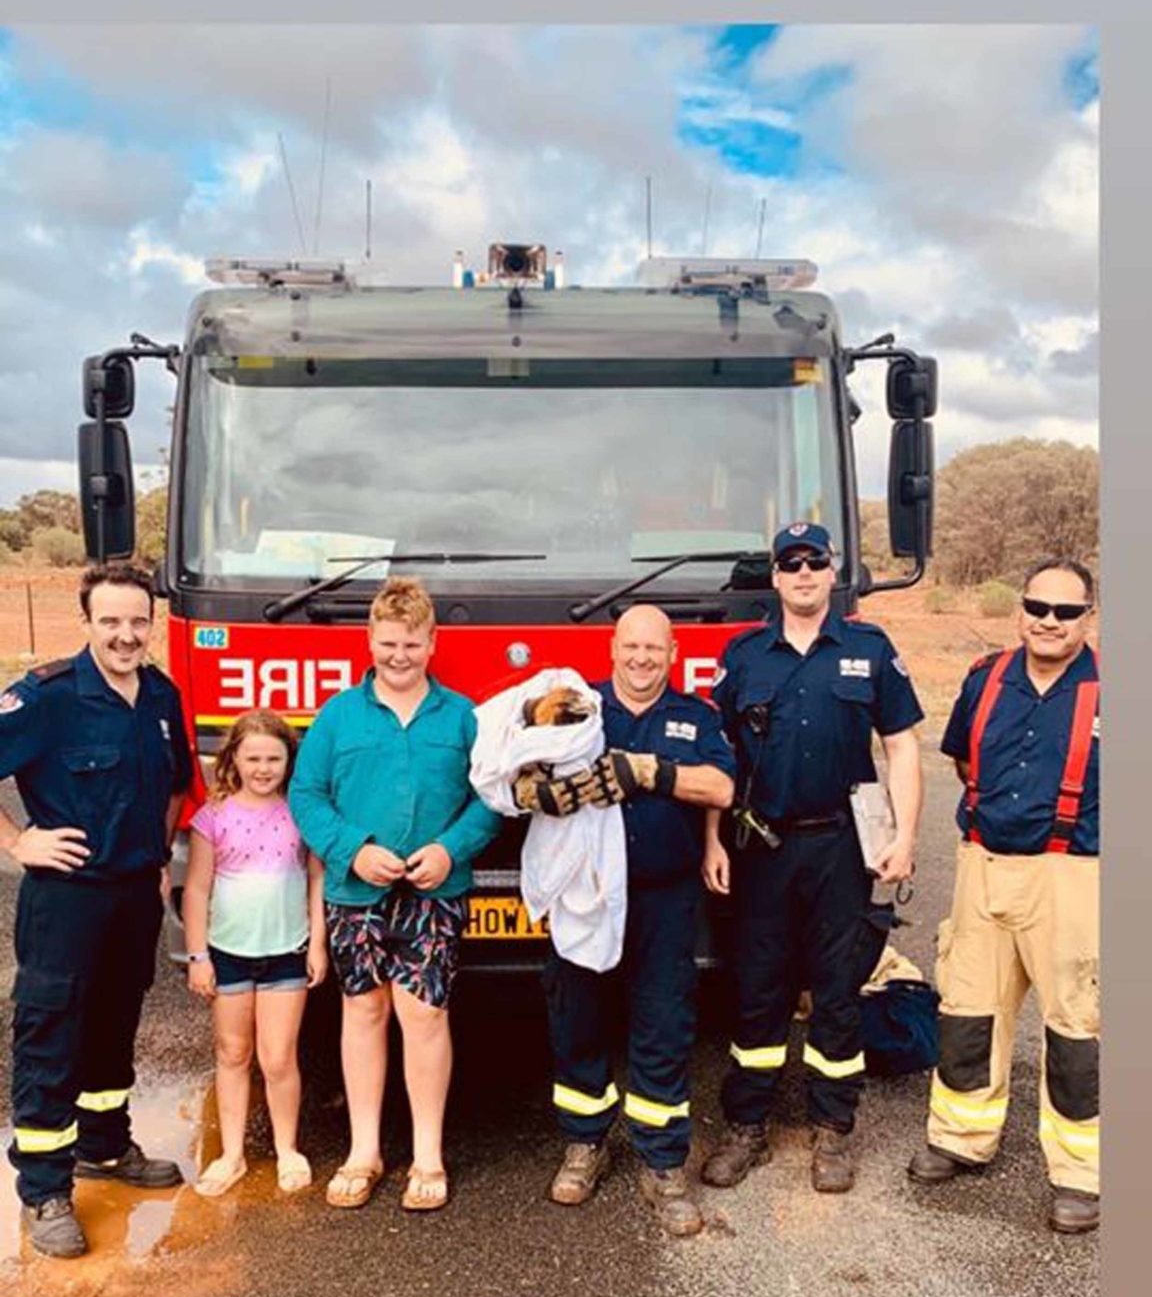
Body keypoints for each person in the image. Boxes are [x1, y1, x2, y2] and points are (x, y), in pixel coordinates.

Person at [701, 523, 923, 1194]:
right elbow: (718, 760)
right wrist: (712, 838)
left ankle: (833, 1129)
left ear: (833, 572)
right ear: (774, 576)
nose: (803, 573)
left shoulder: (869, 649)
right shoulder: (744, 657)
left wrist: (905, 837)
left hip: (841, 847)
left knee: (837, 989)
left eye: (815, 562)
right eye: (790, 563)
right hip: (761, 846)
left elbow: (902, 747)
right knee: (758, 988)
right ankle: (747, 1126)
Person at [518, 604, 735, 1238]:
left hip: (666, 896)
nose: (642, 659)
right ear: (613, 649)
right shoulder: (580, 708)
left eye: (654, 648)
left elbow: (721, 788)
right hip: (585, 893)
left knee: (664, 1022)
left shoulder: (696, 716)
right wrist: (532, 786)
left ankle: (662, 1162)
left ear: (673, 654)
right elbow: (516, 762)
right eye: (631, 647)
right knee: (577, 1014)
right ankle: (584, 1143)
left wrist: (652, 773)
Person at [289, 576, 499, 1213]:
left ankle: (428, 1155)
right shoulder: (338, 716)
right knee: (363, 1011)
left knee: (425, 1015)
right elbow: (306, 795)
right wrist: (351, 849)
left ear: (432, 643)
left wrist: (450, 849)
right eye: (388, 643)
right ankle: (364, 1152)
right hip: (355, 892)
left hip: (434, 891)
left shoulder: (461, 717)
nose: (399, 655)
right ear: (370, 641)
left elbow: (490, 799)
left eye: (411, 643)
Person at [0, 561, 191, 1257]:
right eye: (110, 621)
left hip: (133, 895)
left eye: (138, 621)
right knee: (51, 1036)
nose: (125, 635)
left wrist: (158, 857)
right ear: (86, 622)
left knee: (115, 1025)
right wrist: (19, 841)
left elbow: (176, 786)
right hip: (67, 899)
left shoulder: (161, 696)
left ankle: (104, 1147)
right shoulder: (48, 696)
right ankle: (45, 1189)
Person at [909, 559, 1100, 1234]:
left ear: (1088, 618)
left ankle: (1081, 1172)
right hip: (983, 864)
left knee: (1077, 1025)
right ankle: (961, 1137)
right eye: (1037, 607)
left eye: (1065, 612)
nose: (1049, 621)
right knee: (969, 1007)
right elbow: (964, 759)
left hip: (1073, 874)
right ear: (1020, 609)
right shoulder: (985, 678)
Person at [182, 710, 328, 1197]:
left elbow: (316, 879)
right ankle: (232, 1155)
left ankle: (288, 1149)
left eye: (273, 759)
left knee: (279, 1056)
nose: (263, 769)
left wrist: (318, 944)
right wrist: (198, 956)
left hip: (287, 951)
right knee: (233, 1052)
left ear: (289, 762)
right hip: (228, 955)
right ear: (234, 760)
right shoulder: (213, 818)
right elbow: (197, 890)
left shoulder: (301, 814)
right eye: (253, 759)